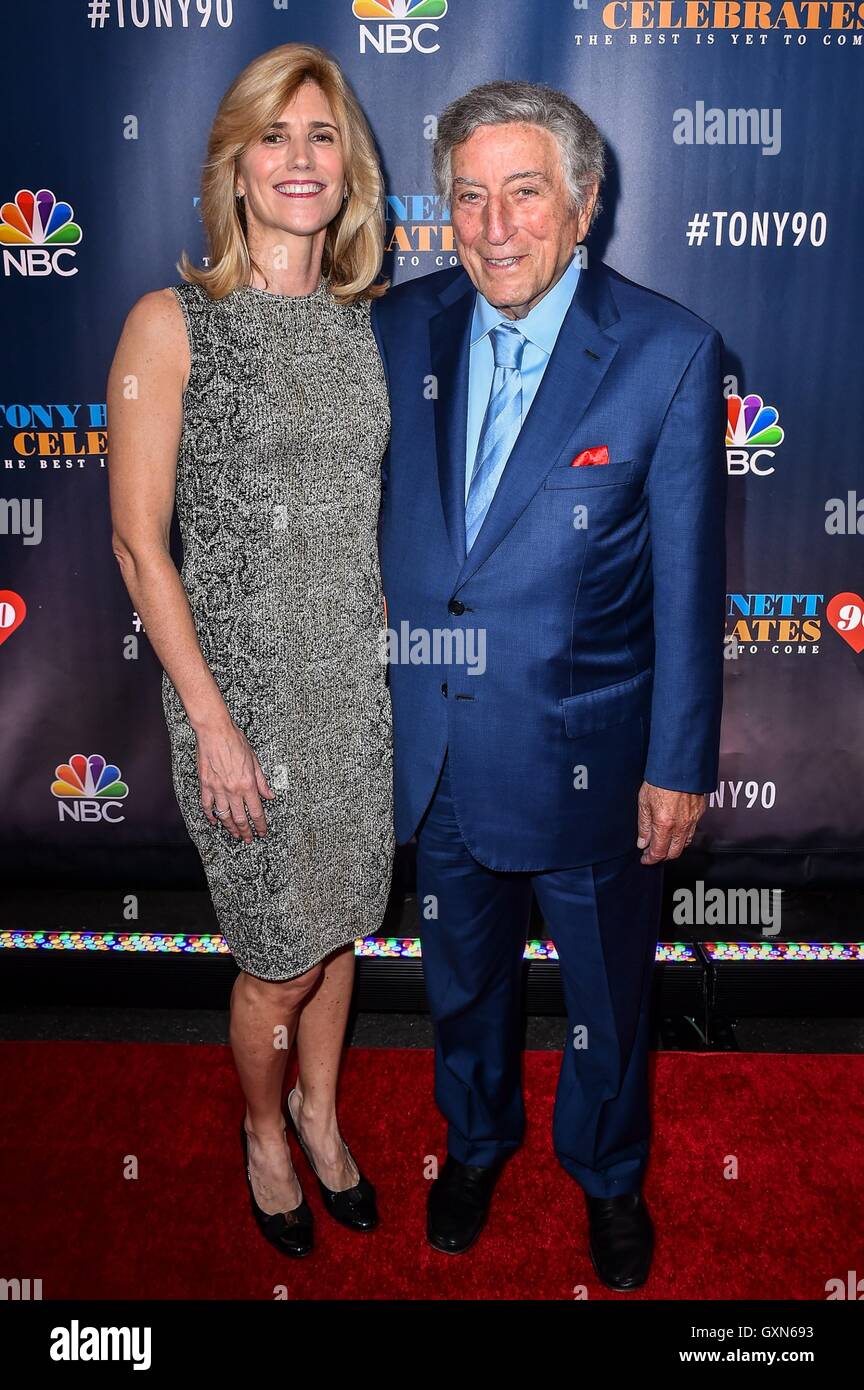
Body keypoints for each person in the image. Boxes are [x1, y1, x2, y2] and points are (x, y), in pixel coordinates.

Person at [371, 79, 726, 1289]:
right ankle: (475, 1142)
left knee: (608, 1002)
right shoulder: (397, 328)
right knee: (461, 980)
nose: (494, 225)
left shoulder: (668, 352)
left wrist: (677, 761)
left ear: (583, 207)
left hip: (595, 755)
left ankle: (609, 1177)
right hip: (438, 747)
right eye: (468, 196)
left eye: (526, 193)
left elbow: (688, 580)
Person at [107, 44, 394, 1257]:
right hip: (244, 699)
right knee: (276, 956)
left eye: (320, 136)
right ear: (234, 165)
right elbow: (136, 545)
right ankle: (265, 1131)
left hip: (352, 684)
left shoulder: (359, 322)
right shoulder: (171, 323)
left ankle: (325, 1115)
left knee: (338, 929)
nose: (298, 160)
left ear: (350, 169)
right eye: (273, 138)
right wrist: (215, 722)